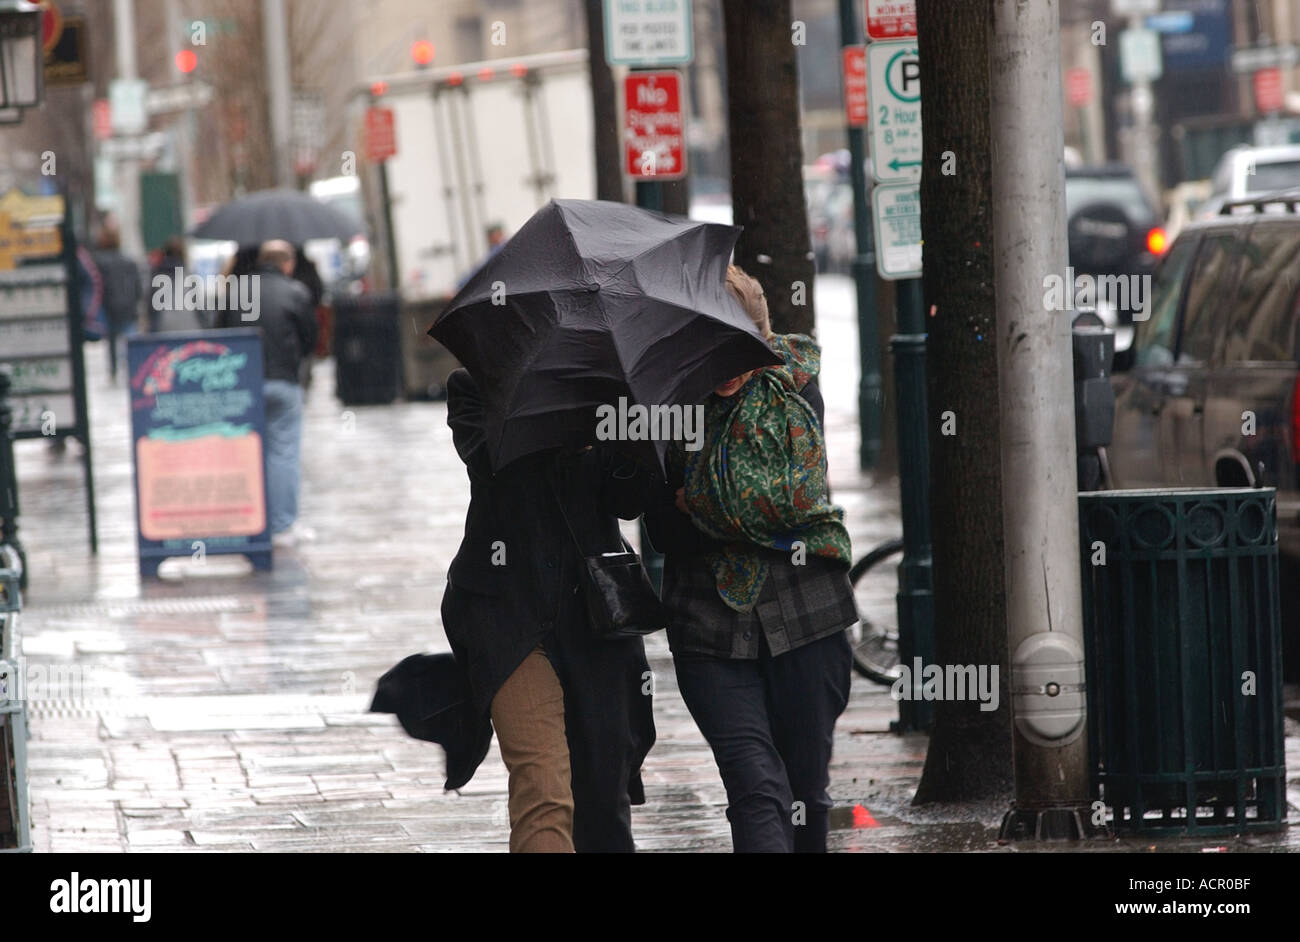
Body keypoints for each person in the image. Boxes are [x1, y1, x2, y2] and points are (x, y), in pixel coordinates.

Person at [640, 265, 857, 853]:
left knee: (806, 793)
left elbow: (797, 498)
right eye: (716, 346)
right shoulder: (664, 403)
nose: (732, 364)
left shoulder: (792, 382)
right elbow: (661, 528)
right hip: (708, 625)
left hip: (807, 612)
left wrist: (703, 501)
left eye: (744, 346)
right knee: (756, 786)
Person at [440, 368, 655, 852]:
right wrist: (564, 428)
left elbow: (629, 500)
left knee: (602, 797)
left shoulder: (608, 389)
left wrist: (629, 434)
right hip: (508, 618)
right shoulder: (475, 385)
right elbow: (490, 463)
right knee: (544, 787)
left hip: (595, 620)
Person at [217, 240, 318, 546]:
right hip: (283, 382)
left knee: (248, 454)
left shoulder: (236, 291)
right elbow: (311, 338)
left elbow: (220, 334)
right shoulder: (296, 292)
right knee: (283, 452)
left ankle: (251, 521)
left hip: (244, 383)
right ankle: (283, 526)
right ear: (287, 264)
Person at [91, 224, 143, 381]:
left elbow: (97, 287)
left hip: (109, 307)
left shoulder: (99, 262)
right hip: (128, 307)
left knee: (112, 342)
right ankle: (133, 369)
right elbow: (137, 286)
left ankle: (113, 370)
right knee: (129, 341)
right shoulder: (128, 261)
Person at [148, 237, 188, 332]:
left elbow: (151, 308)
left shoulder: (157, 276)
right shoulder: (189, 276)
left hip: (162, 329)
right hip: (188, 329)